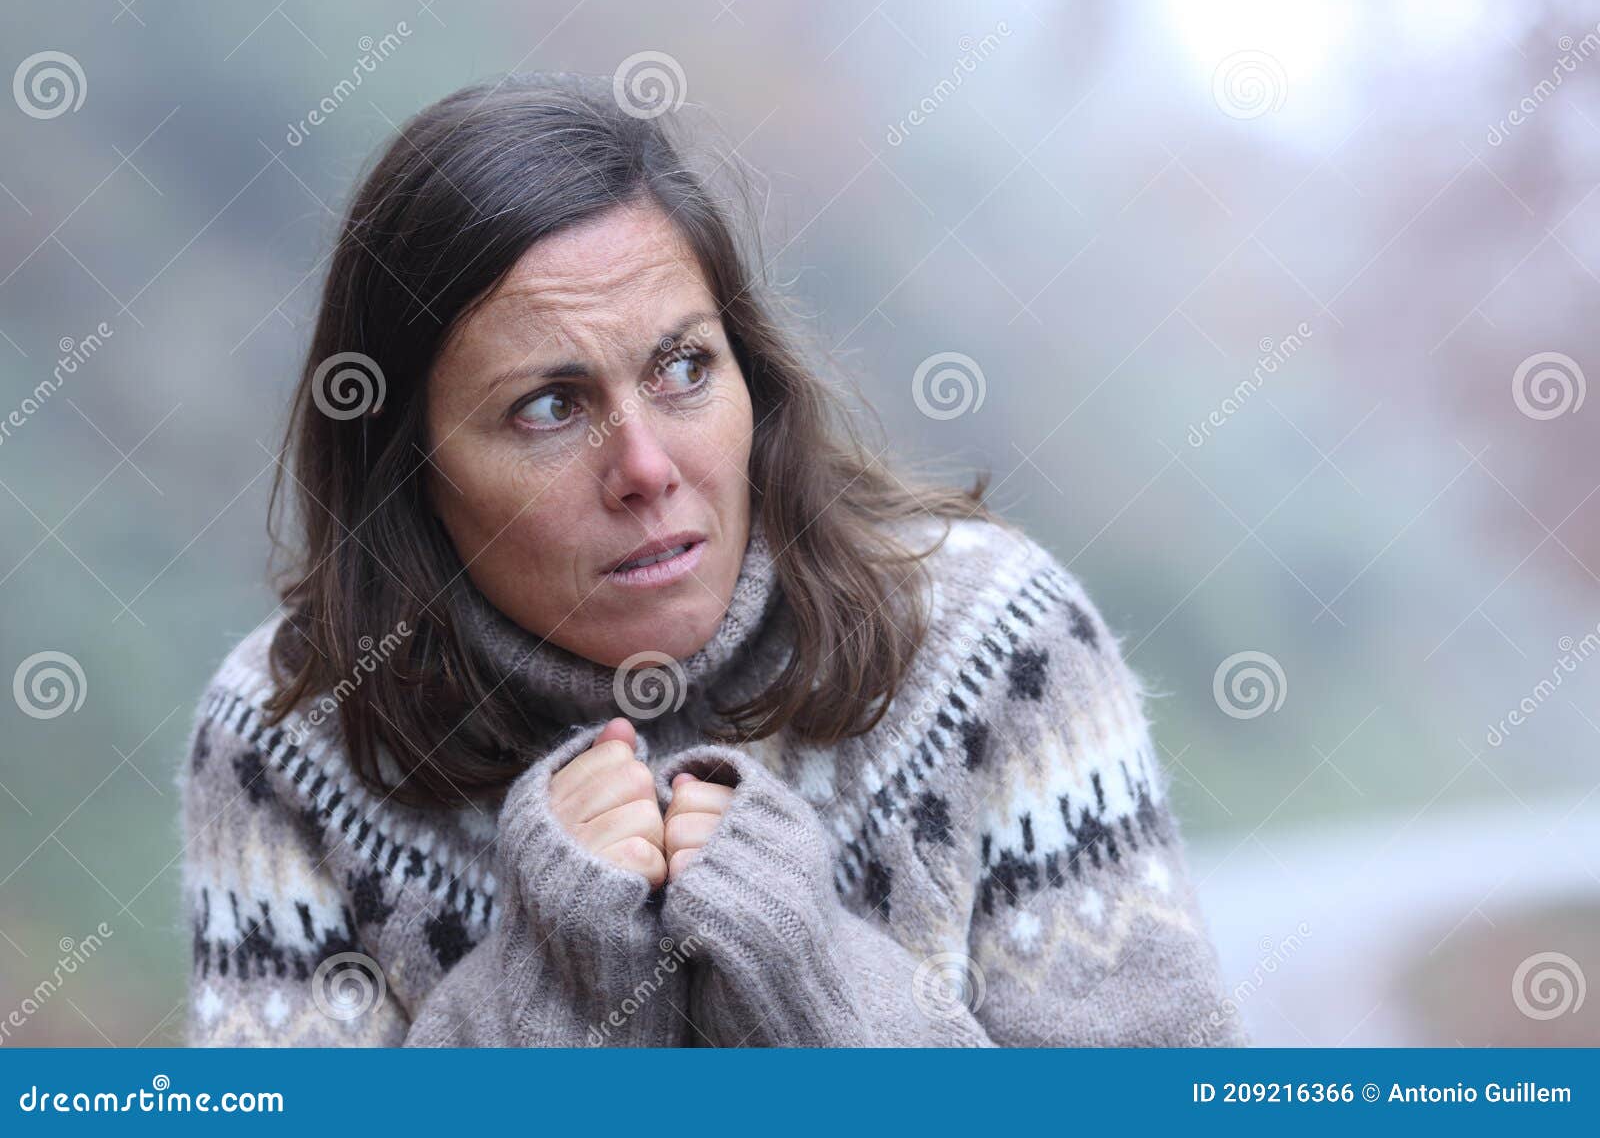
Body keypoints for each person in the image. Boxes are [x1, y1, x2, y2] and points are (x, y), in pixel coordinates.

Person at [179, 72, 1243, 1047]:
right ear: (409, 470)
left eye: (684, 365)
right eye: (549, 407)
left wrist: (812, 981)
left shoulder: (998, 647)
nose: (644, 464)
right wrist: (539, 996)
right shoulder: (289, 741)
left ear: (751, 372)